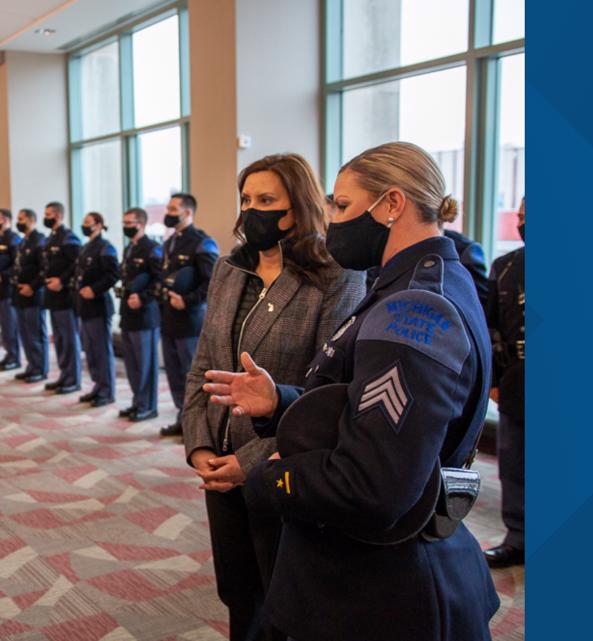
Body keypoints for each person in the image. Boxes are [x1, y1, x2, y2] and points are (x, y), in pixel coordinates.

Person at [207, 142, 499, 641]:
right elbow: (367, 410)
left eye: (341, 205)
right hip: (380, 566)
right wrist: (283, 401)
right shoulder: (412, 285)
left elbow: (372, 485)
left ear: (391, 204)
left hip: (386, 583)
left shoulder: (416, 311)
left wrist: (266, 480)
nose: (331, 219)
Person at [182, 154, 365, 641]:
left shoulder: (335, 277)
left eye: (267, 200)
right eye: (246, 199)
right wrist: (199, 447)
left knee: (287, 598)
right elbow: (202, 365)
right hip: (217, 463)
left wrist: (249, 460)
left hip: (280, 462)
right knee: (238, 591)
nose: (252, 210)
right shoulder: (229, 271)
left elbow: (327, 393)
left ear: (299, 206)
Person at [483, 196, 525, 569]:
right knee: (514, 465)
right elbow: (491, 326)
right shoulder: (506, 266)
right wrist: (495, 380)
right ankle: (519, 538)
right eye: (523, 217)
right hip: (517, 382)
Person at [159, 193, 220, 436]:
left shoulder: (202, 242)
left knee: (192, 375)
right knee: (174, 373)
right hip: (168, 319)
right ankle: (182, 417)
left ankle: (199, 426)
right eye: (168, 207)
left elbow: (212, 283)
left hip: (190, 320)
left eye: (173, 208)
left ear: (187, 213)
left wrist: (187, 300)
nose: (168, 212)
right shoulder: (169, 243)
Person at [118, 207, 163, 423]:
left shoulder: (152, 248)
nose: (126, 226)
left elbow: (159, 280)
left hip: (145, 314)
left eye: (130, 223)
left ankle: (148, 406)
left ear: (142, 224)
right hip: (128, 313)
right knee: (132, 364)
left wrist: (143, 298)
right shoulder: (130, 248)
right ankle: (138, 401)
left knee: (145, 364)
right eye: (124, 222)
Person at [73, 212, 121, 407]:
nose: (84, 226)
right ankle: (97, 386)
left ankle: (107, 390)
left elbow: (113, 275)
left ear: (99, 225)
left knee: (101, 351)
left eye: (88, 223)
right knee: (91, 351)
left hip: (99, 305)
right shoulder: (86, 247)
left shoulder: (105, 247)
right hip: (84, 306)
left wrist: (94, 289)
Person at [41, 201, 83, 395]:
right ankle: (64, 375)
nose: (46, 217)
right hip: (52, 296)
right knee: (58, 339)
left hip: (65, 296)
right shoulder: (53, 237)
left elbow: (77, 264)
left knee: (69, 340)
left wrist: (63, 281)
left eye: (48, 214)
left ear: (58, 216)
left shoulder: (69, 237)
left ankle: (73, 379)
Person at [12, 208, 49, 383]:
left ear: (32, 220)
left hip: (34, 294)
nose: (18, 222)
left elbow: (44, 269)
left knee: (35, 334)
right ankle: (31, 365)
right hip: (20, 293)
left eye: (22, 219)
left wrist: (32, 287)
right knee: (25, 333)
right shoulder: (23, 242)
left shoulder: (39, 241)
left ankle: (40, 368)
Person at [0, 208, 22, 371]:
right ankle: (8, 354)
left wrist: (3, 275)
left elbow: (17, 265)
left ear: (7, 220)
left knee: (10, 324)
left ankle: (14, 357)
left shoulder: (13, 239)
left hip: (8, 287)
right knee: (3, 324)